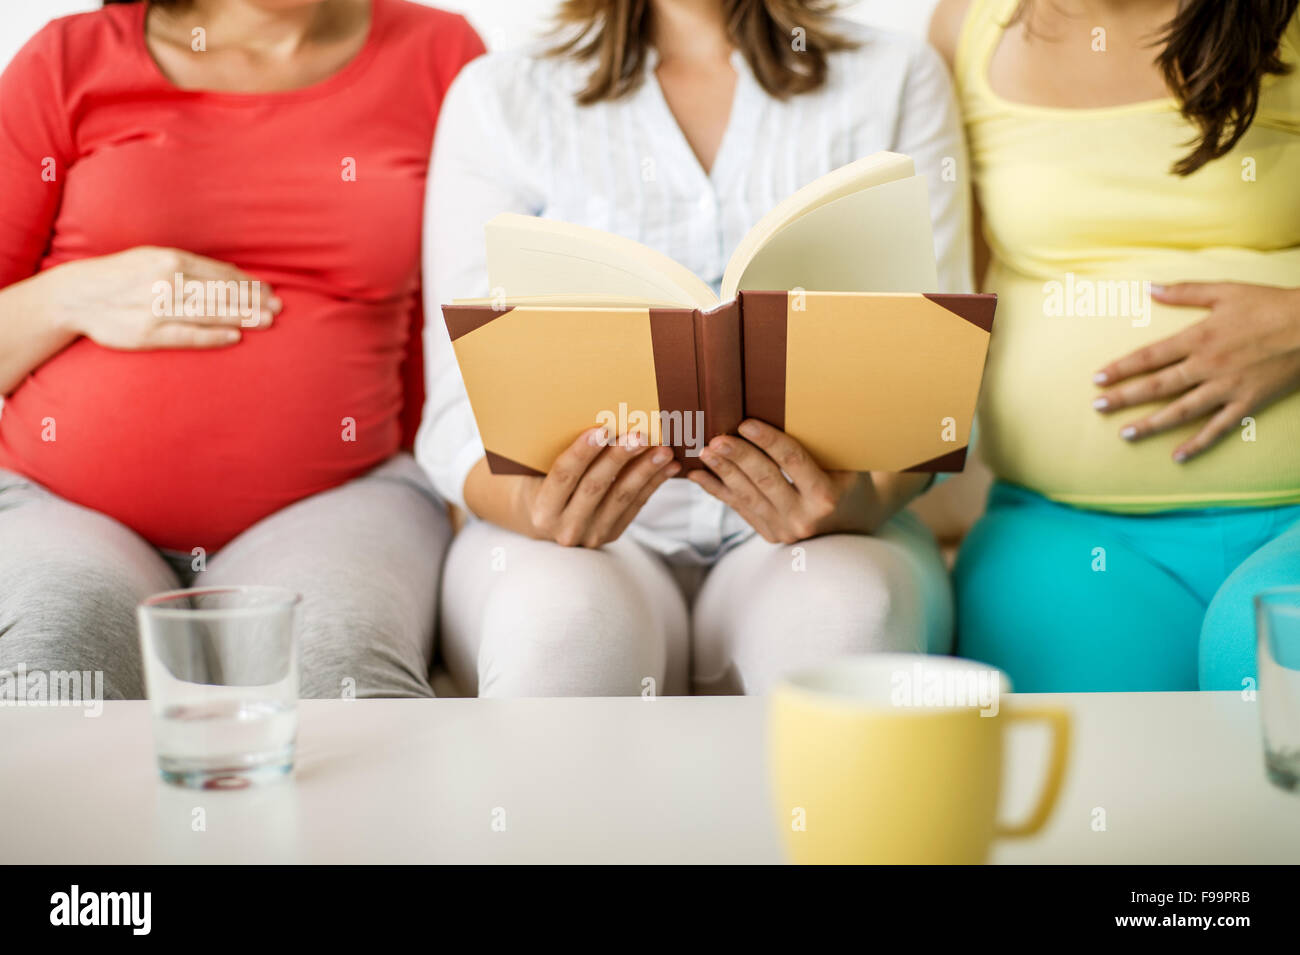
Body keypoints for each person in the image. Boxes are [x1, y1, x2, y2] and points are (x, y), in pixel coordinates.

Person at [419, 0, 973, 697]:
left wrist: (863, 498)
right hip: (579, 539)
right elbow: (455, 411)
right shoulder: (498, 99)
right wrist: (534, 505)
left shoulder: (895, 78)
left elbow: (937, 380)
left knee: (849, 616)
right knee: (559, 630)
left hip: (819, 535)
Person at [0, 0, 484, 699]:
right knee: (56, 667)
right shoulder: (65, 62)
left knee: (343, 675)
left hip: (340, 501)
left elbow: (463, 321)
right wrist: (70, 297)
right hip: (62, 508)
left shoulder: (439, 54)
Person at [929, 0, 1300, 690]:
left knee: (1265, 705)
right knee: (1099, 766)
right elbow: (945, 306)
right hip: (1064, 530)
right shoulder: (967, 27)